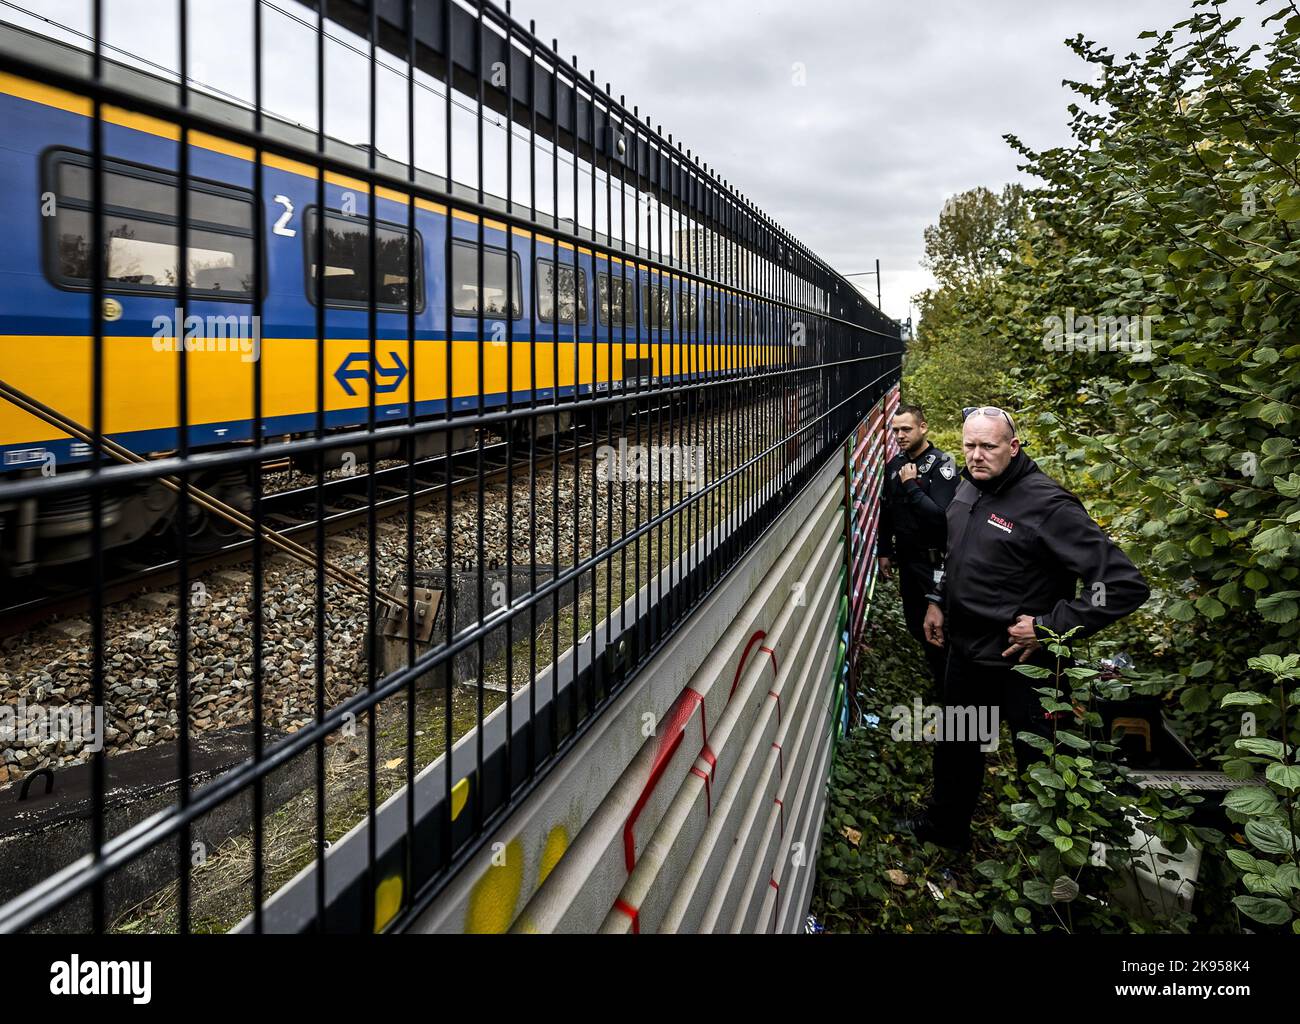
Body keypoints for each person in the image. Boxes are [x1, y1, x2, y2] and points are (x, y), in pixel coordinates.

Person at [907, 406, 1150, 851]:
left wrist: (1048, 627)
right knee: (958, 745)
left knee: (1043, 765)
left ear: (1014, 447)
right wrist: (937, 601)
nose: (976, 456)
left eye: (988, 447)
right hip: (967, 653)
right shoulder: (968, 488)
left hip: (1028, 665)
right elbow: (955, 552)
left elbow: (1122, 585)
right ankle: (945, 831)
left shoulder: (1048, 505)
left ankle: (1050, 868)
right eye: (969, 445)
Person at [877, 404, 960, 696]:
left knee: (942, 628)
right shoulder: (894, 466)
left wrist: (912, 486)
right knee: (916, 625)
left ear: (923, 427)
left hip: (936, 565)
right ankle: (940, 678)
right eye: (895, 430)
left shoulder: (943, 466)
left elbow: (940, 517)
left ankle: (952, 688)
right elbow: (887, 512)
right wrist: (884, 549)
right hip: (909, 564)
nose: (899, 435)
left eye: (906, 429)